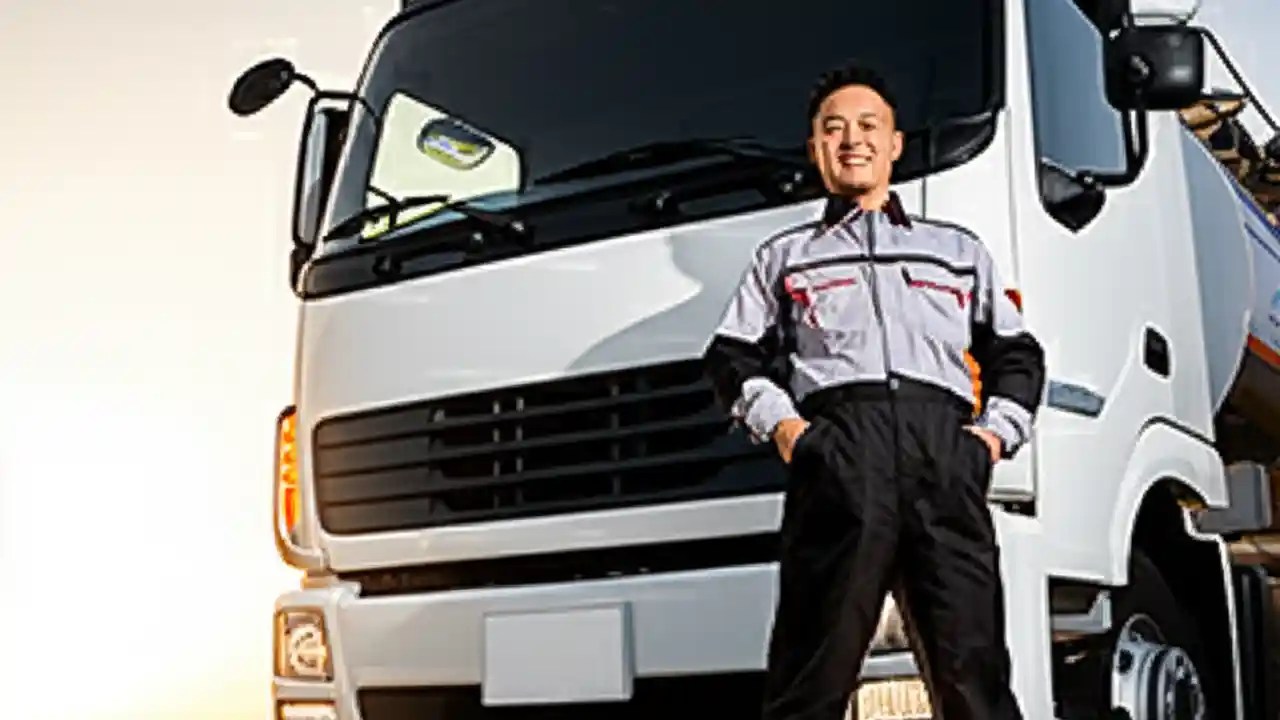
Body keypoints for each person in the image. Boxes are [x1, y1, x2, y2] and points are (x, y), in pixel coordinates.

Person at [702, 62, 1046, 720]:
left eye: (868, 126)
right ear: (814, 150)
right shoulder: (786, 255)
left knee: (974, 676)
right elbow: (731, 354)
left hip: (942, 460)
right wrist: (791, 433)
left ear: (894, 145)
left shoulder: (956, 249)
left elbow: (1015, 352)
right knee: (812, 676)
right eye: (834, 128)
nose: (851, 139)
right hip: (839, 463)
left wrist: (988, 441)